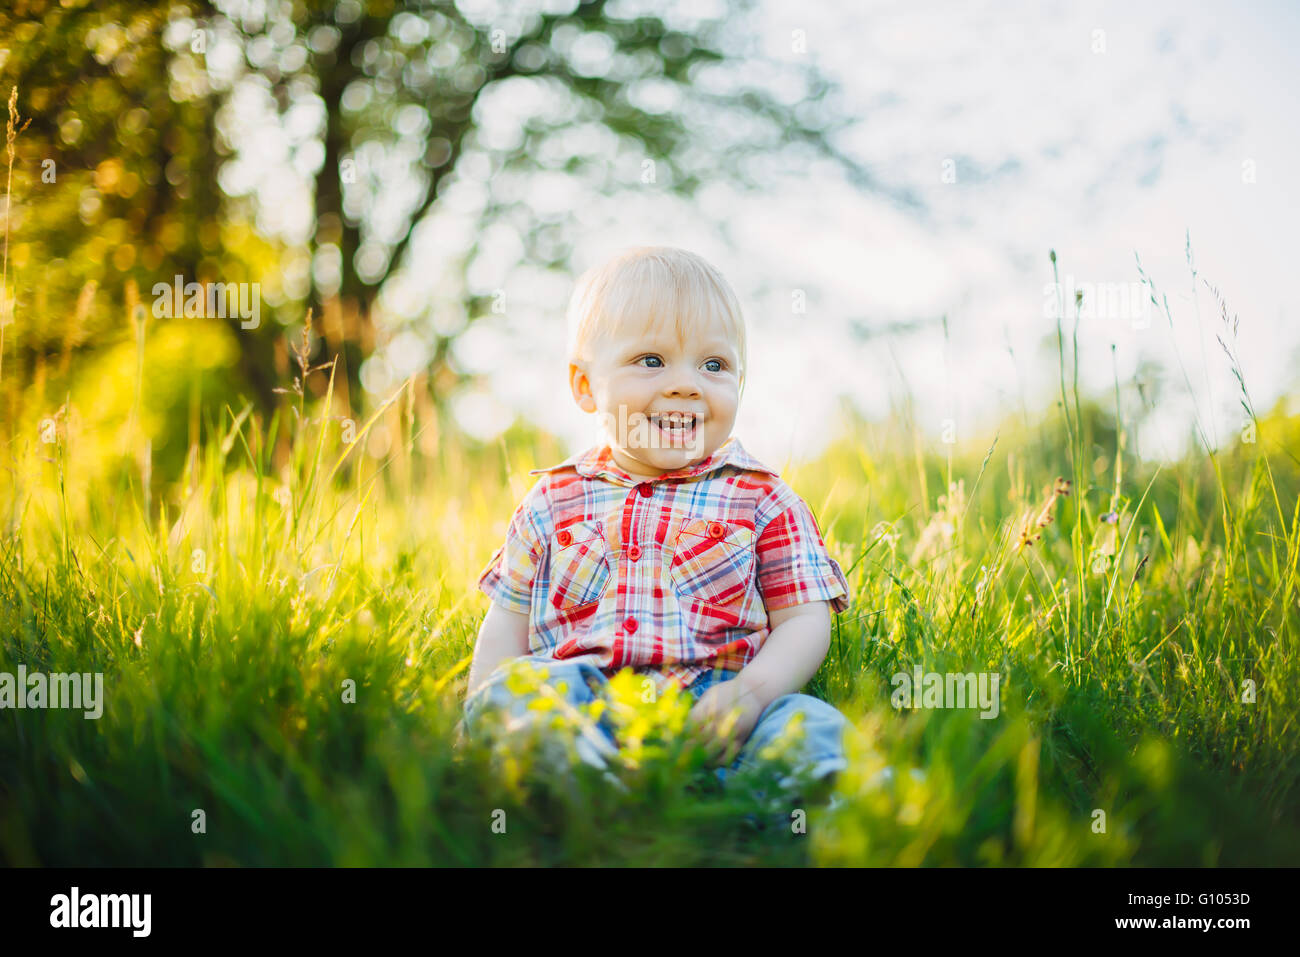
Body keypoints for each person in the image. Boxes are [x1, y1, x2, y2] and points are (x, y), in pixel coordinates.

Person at [460, 246, 854, 813]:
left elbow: (804, 618)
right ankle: (567, 782)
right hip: (583, 701)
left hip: (718, 715)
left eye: (714, 366)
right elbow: (505, 628)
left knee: (806, 725)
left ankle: (843, 805)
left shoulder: (762, 497)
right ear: (585, 386)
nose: (687, 385)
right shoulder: (552, 500)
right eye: (651, 360)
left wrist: (752, 693)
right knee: (518, 690)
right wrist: (486, 706)